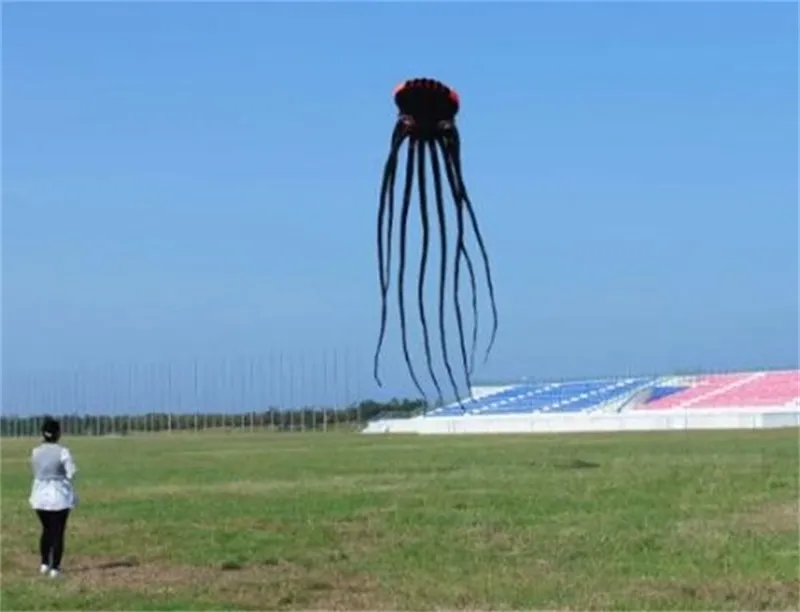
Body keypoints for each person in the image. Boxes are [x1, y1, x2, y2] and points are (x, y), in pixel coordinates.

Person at [29, 416, 78, 578]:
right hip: (58, 494)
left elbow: (36, 470)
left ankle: (44, 563)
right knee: (58, 532)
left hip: (39, 494)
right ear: (58, 434)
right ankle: (55, 568)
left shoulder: (35, 451)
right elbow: (71, 473)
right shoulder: (63, 451)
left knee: (47, 530)